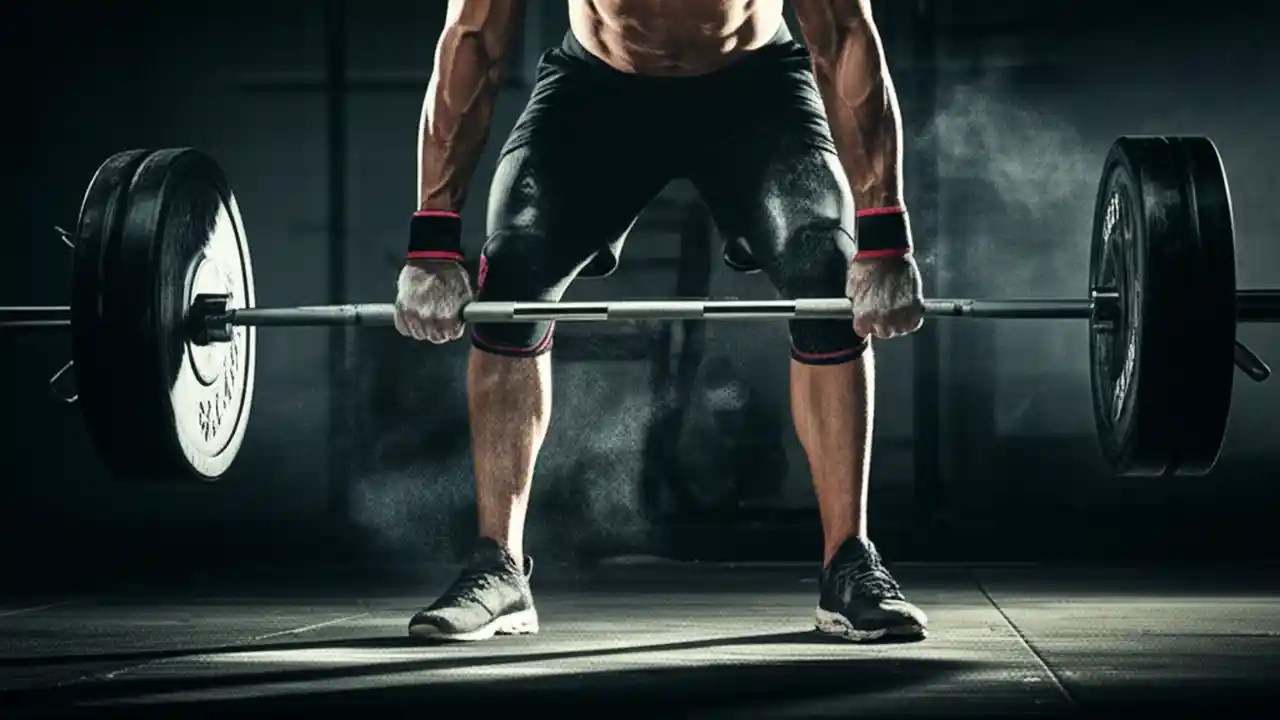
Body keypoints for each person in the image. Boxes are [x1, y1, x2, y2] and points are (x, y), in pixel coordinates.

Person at [393, 0, 928, 643]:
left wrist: (884, 241)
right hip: (597, 89)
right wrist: (431, 242)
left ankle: (849, 564)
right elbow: (474, 36)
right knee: (514, 266)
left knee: (826, 272)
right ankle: (498, 568)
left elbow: (843, 34)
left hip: (757, 88)